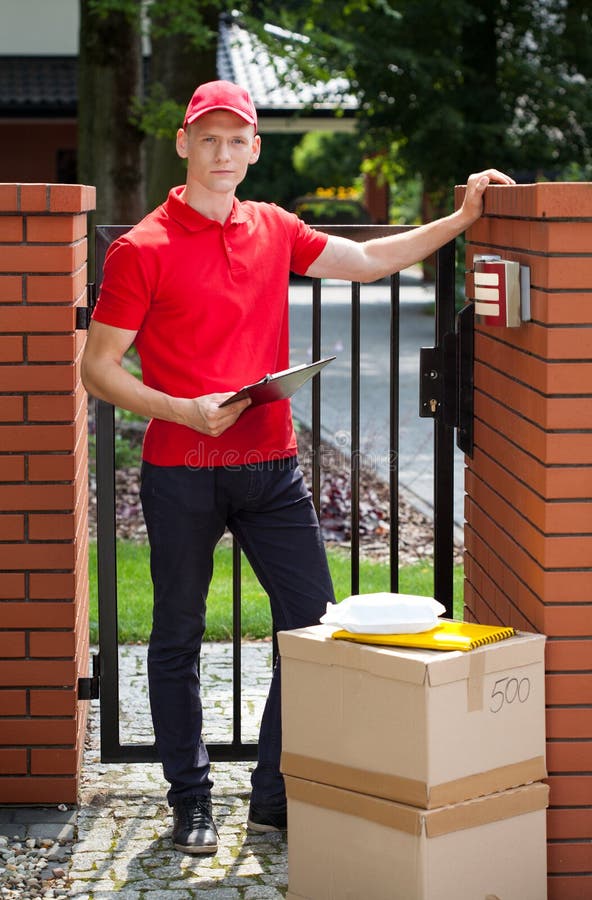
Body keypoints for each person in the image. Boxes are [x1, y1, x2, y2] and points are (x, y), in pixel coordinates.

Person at [81, 78, 515, 856]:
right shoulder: (140, 247)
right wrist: (181, 408)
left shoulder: (274, 226)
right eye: (207, 138)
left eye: (236, 139)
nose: (222, 152)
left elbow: (369, 258)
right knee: (175, 636)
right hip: (181, 466)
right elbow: (99, 368)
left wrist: (462, 219)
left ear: (253, 149)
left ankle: (274, 795)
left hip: (271, 467)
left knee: (314, 629)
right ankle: (191, 801)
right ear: (183, 144)